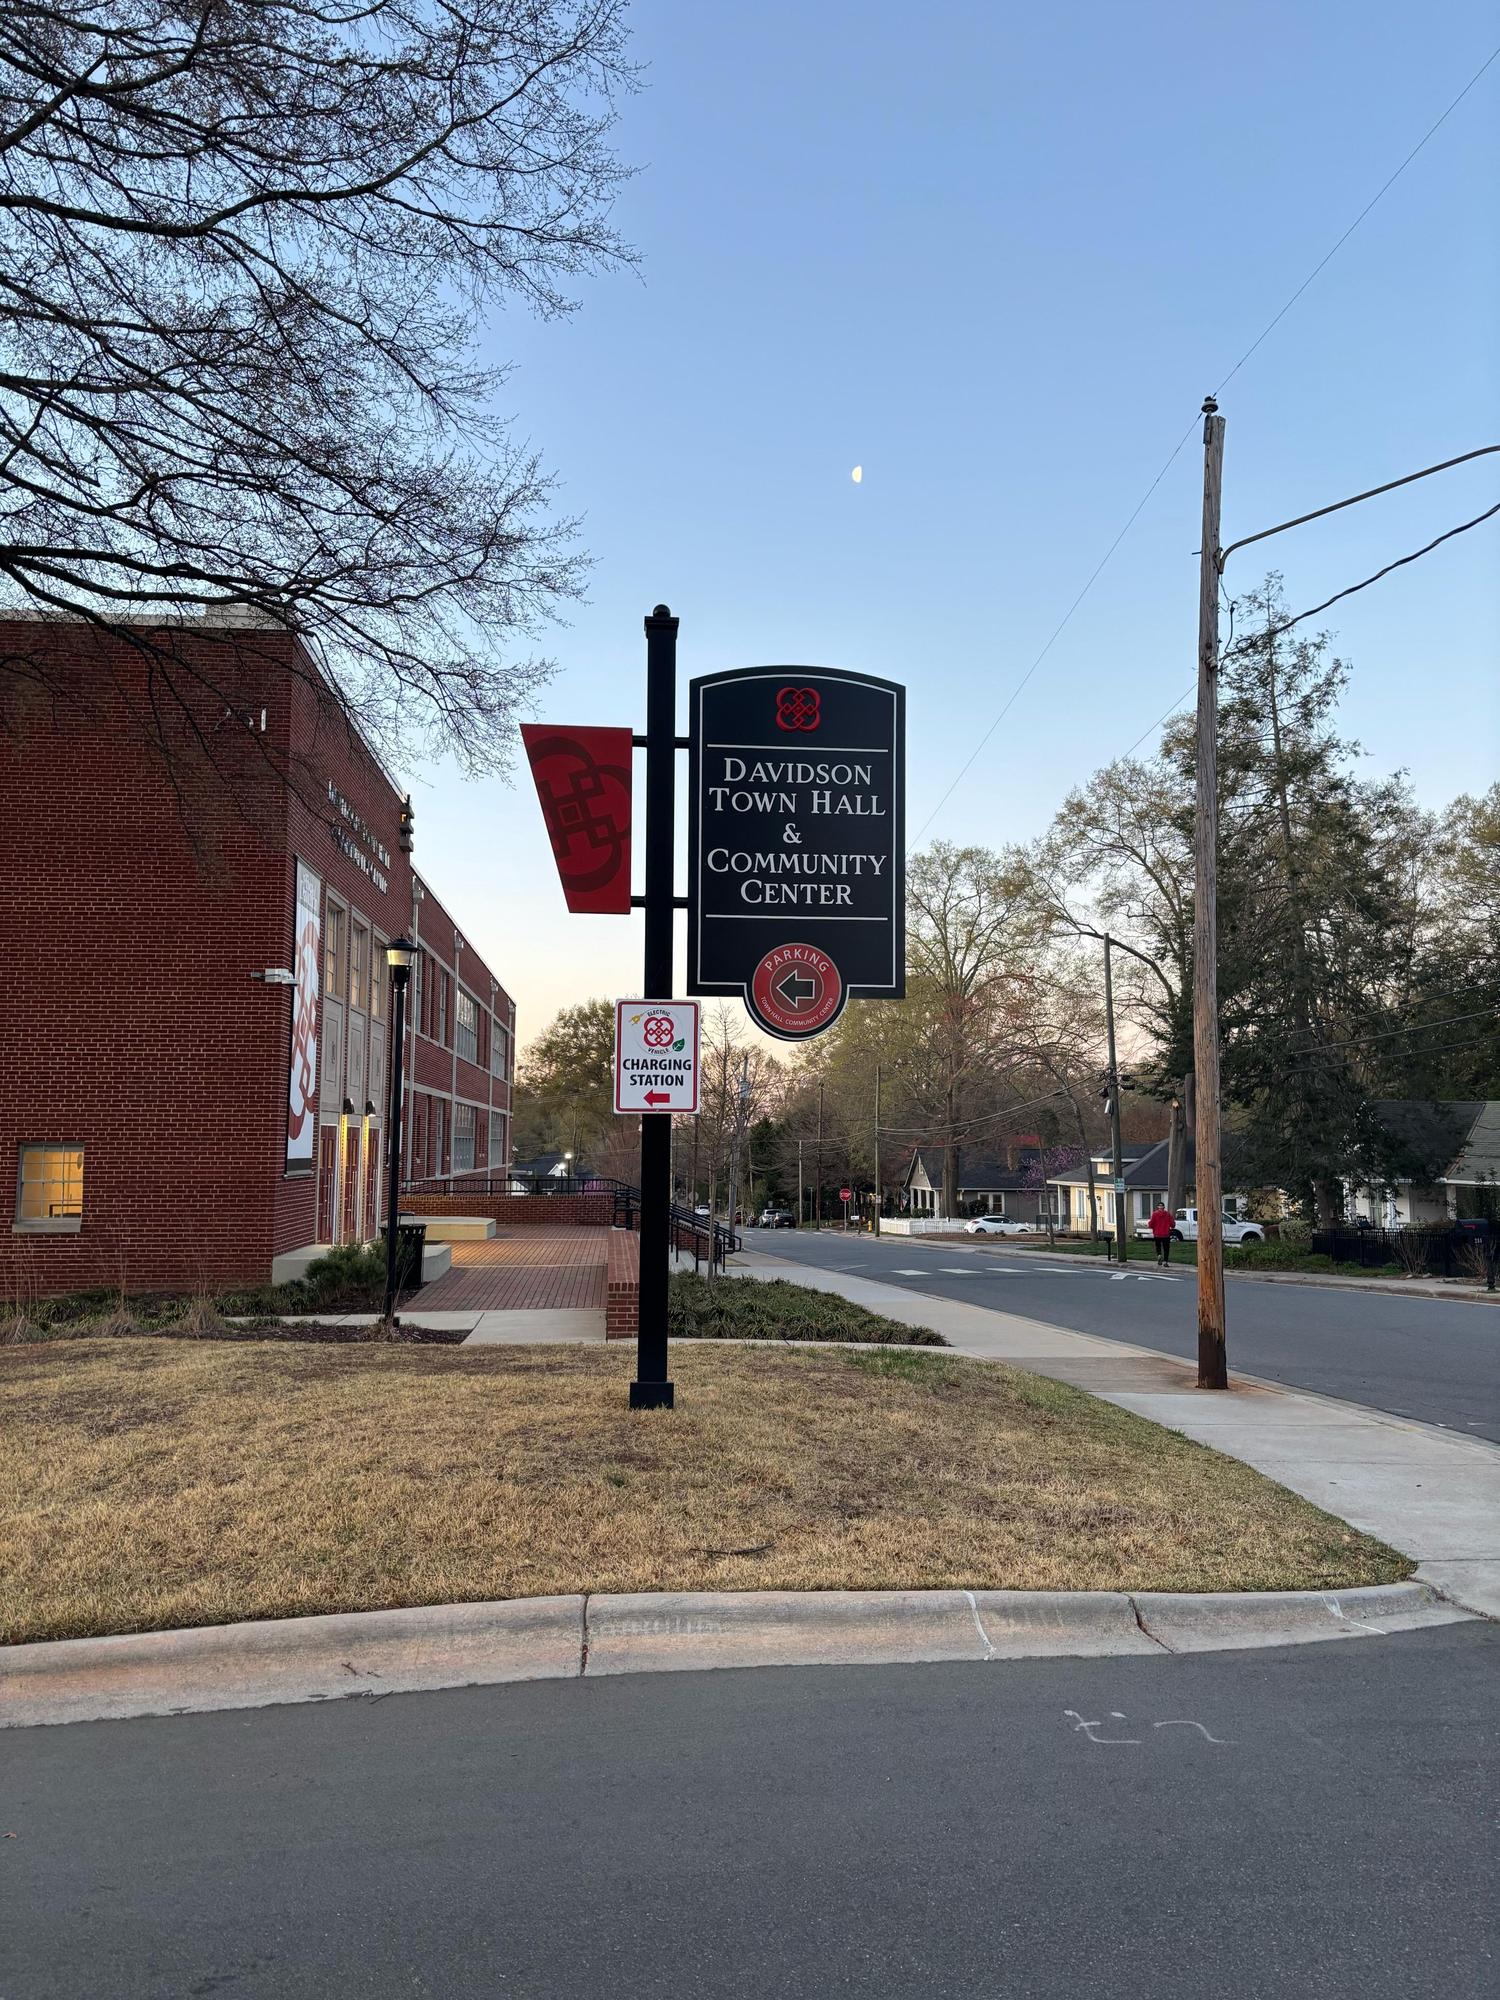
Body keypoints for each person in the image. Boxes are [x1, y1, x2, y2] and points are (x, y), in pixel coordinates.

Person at [1148, 1201, 1175, 1267]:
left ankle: (1159, 1255)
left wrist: (1151, 1225)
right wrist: (1171, 1225)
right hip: (1166, 1234)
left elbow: (1151, 1224)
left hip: (1157, 1234)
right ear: (1164, 1207)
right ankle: (1165, 1261)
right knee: (1166, 1248)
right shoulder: (1168, 1214)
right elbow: (1172, 1224)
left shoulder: (1154, 1214)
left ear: (1157, 1207)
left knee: (1158, 1247)